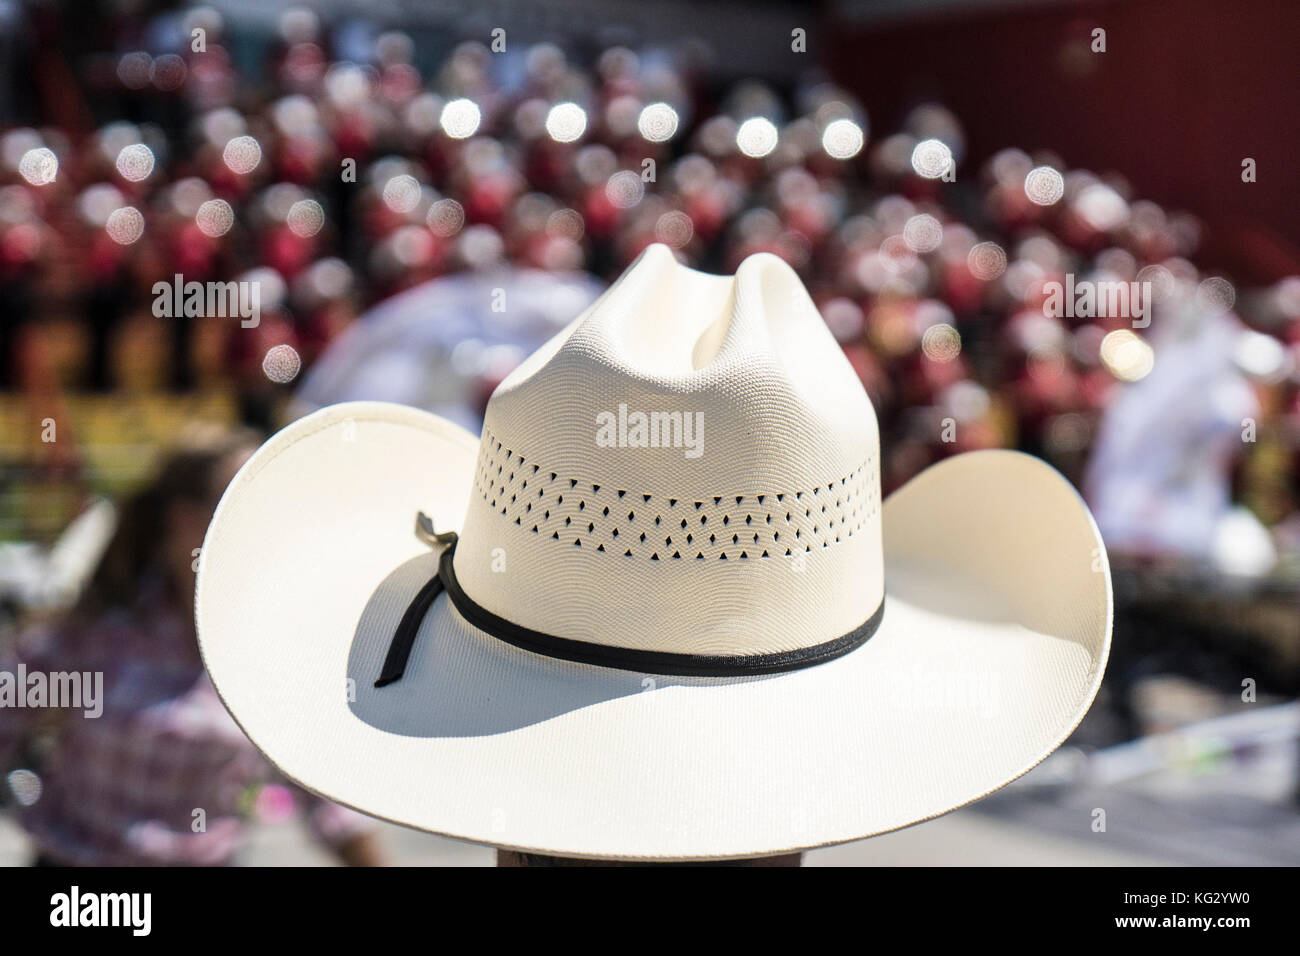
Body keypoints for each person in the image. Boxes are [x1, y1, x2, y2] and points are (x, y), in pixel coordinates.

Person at [0, 424, 386, 866]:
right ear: (182, 520)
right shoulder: (97, 629)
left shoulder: (267, 652)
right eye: (243, 509)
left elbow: (329, 803)